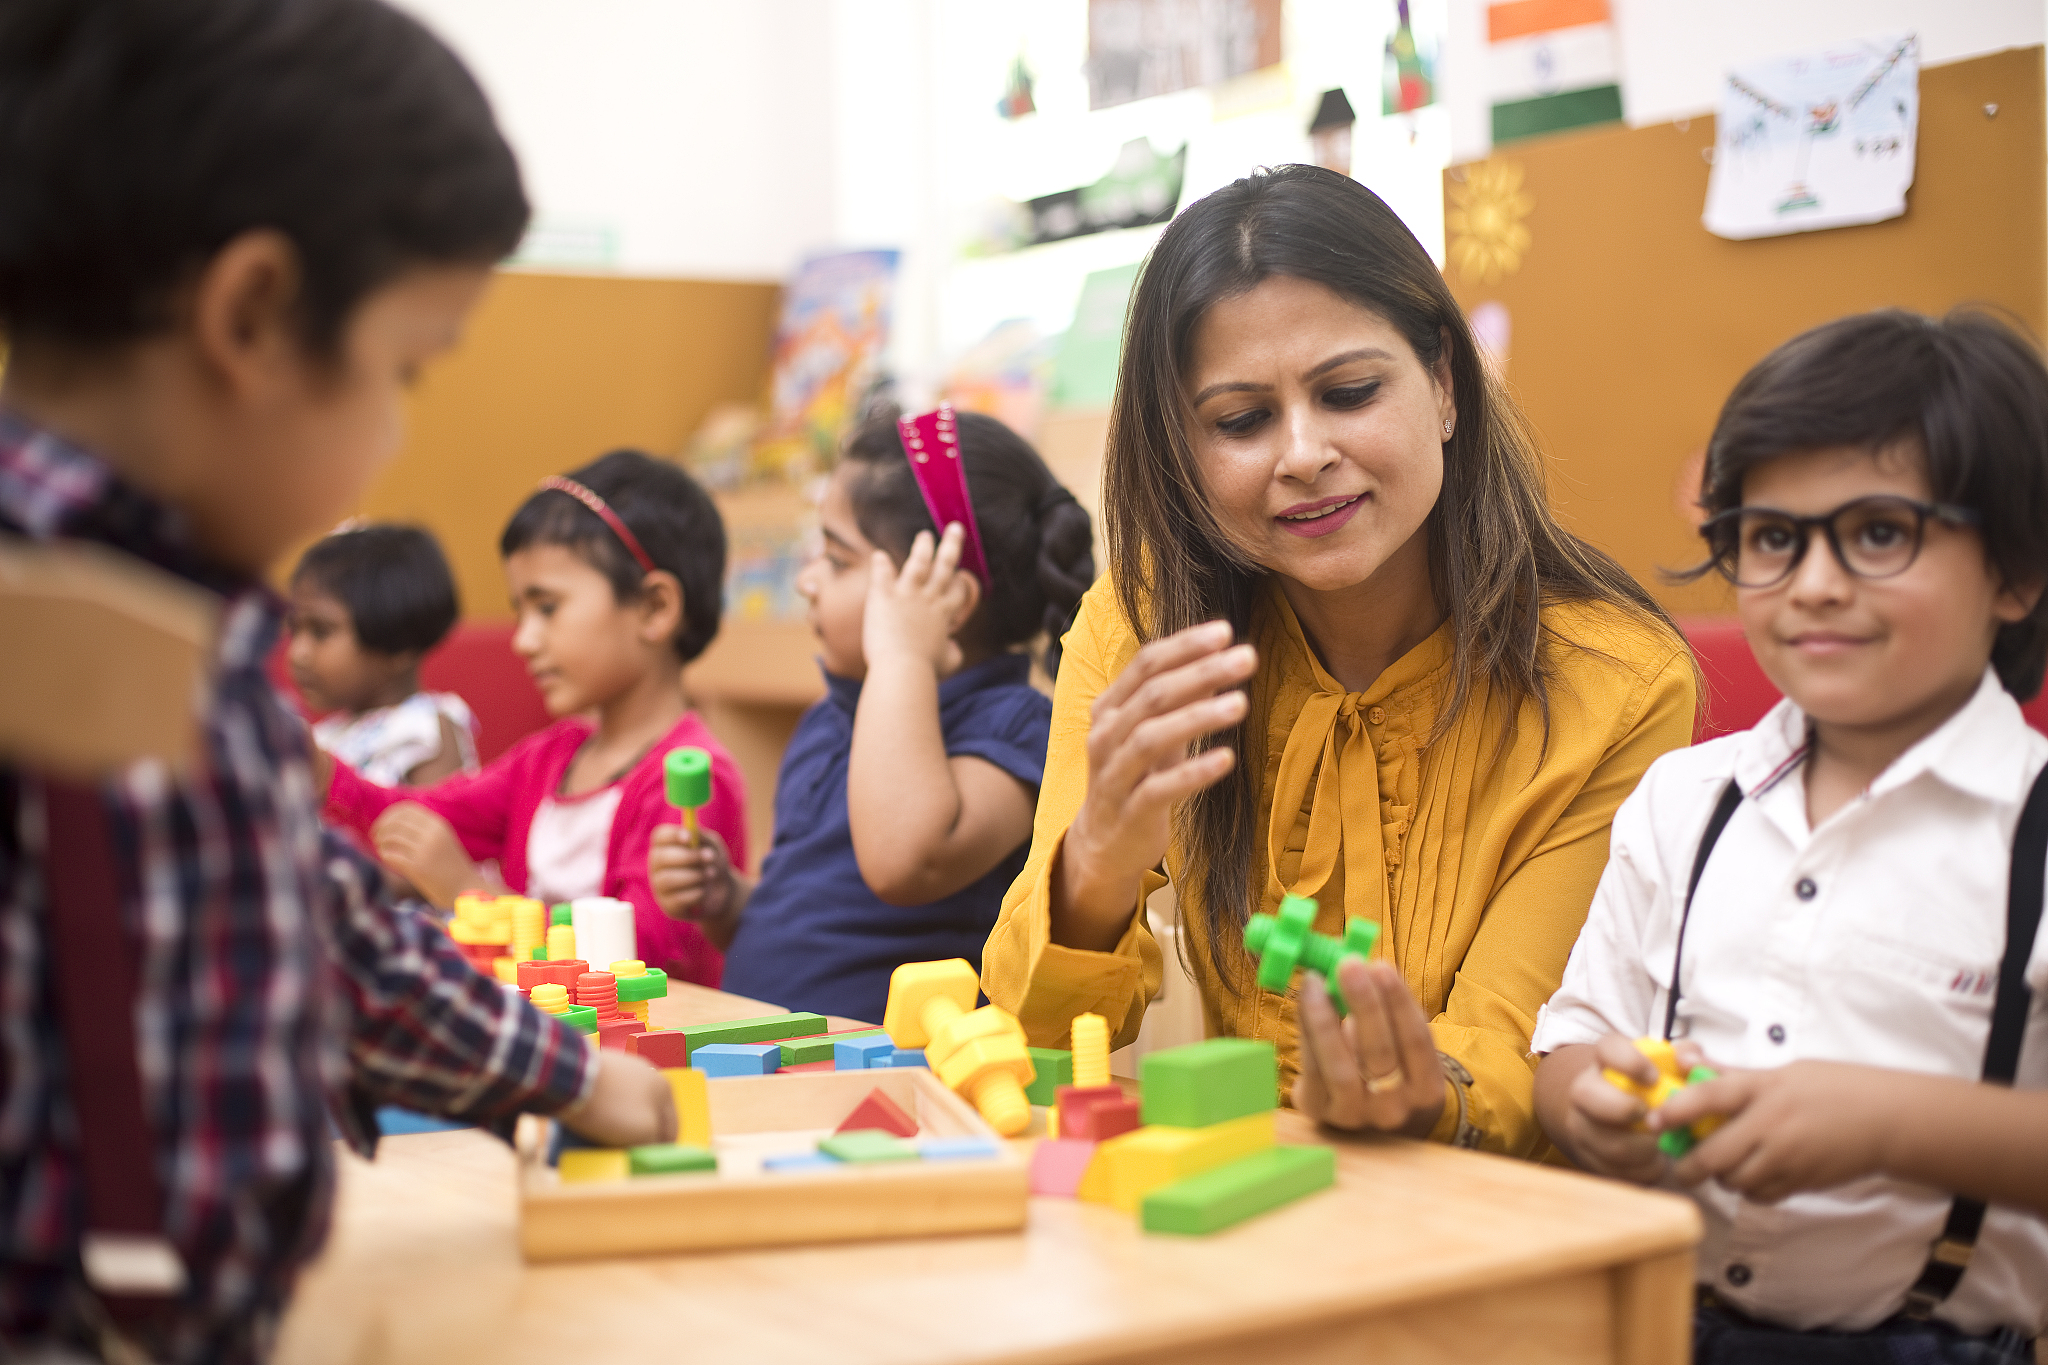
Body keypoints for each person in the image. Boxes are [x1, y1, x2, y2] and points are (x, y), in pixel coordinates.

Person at [0, 2, 674, 1360]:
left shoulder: (207, 636)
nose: (390, 435)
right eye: (401, 370)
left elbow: (328, 928)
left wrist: (572, 1076)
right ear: (250, 318)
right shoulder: (50, 641)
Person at [981, 164, 1696, 1155]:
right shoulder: (1144, 628)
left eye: (1348, 392)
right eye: (1239, 421)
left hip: (1480, 1221)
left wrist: (1411, 1092)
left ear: (1442, 384)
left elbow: (1519, 1052)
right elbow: (1031, 1035)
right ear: (1181, 453)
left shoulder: (1614, 683)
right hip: (1236, 1196)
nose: (1302, 453)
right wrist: (1097, 855)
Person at [1532, 310, 2048, 1359]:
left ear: (2013, 573)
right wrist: (1589, 1104)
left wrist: (1881, 1124)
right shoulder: (1680, 803)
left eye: (1876, 532)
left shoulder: (2029, 834)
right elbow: (1569, 1041)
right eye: (1772, 538)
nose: (1812, 582)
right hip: (1660, 1326)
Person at [649, 405, 1093, 1023]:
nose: (807, 580)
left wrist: (904, 653)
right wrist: (731, 902)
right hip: (766, 1060)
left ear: (947, 599)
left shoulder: (1016, 730)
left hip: (890, 1091)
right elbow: (821, 919)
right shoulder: (829, 720)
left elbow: (903, 863)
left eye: (836, 559)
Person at [323, 449, 747, 987]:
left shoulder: (693, 778)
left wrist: (470, 897)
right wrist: (314, 771)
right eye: (519, 611)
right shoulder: (548, 757)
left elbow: (644, 965)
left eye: (547, 608)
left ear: (654, 608)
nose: (523, 641)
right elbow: (405, 816)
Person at [290, 522, 480, 787]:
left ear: (398, 645)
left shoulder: (423, 731)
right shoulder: (326, 735)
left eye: (320, 632)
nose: (297, 653)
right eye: (294, 629)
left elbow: (437, 824)